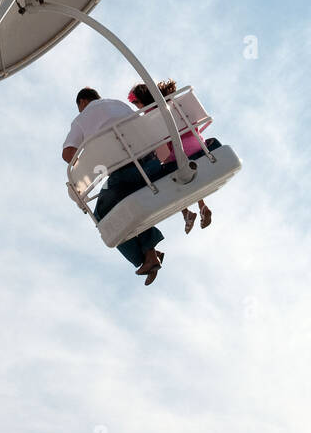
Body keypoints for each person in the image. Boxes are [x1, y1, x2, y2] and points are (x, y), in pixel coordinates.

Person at [63, 87, 165, 285]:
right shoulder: (118, 104)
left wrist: (89, 155)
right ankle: (150, 251)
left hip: (125, 173)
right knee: (130, 203)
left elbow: (68, 154)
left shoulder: (81, 119)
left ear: (83, 102)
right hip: (150, 163)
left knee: (103, 215)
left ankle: (145, 257)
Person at [128, 81, 217, 232]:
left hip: (180, 152)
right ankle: (202, 206)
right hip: (198, 143)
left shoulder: (150, 117)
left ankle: (186, 213)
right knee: (187, 170)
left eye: (136, 104)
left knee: (169, 176)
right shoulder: (174, 103)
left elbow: (163, 151)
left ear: (141, 101)